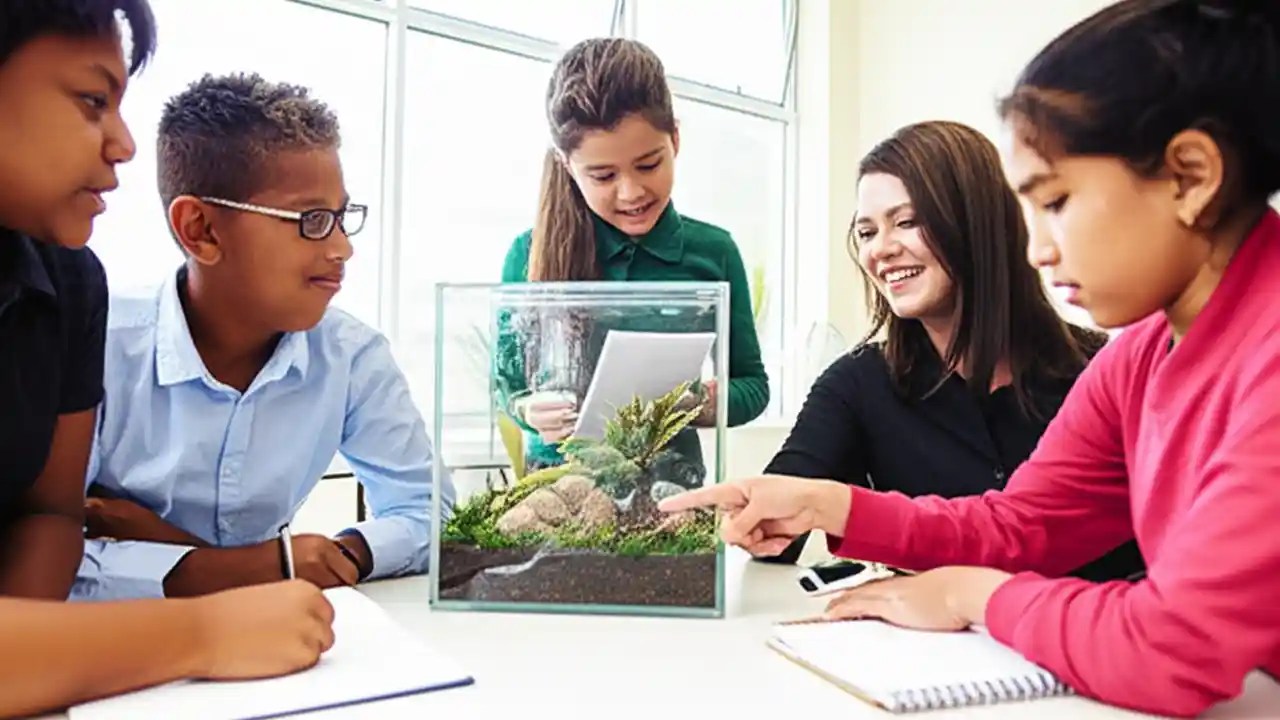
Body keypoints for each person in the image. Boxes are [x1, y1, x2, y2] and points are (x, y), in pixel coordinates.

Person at [661, 0, 1280, 716]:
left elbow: (1170, 647)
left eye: (1057, 202)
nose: (1038, 249)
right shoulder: (1137, 359)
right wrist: (832, 503)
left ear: (1191, 176)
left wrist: (969, 595)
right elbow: (1021, 525)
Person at [0, 2, 333, 716]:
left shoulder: (70, 283)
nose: (123, 144)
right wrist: (205, 632)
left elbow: (50, 514)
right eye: (92, 100)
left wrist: (35, 664)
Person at [72, 72, 456, 601]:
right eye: (312, 220)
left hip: (272, 628)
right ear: (201, 230)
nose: (342, 248)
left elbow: (429, 511)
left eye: (341, 217)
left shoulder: (351, 356)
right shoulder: (97, 344)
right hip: (116, 640)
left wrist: (340, 554)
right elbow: (49, 557)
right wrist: (271, 565)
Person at [756, 120, 1142, 582]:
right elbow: (774, 519)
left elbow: (1023, 534)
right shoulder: (856, 383)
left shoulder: (1103, 372)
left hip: (1096, 625)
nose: (881, 250)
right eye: (866, 232)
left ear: (978, 221)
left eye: (906, 222)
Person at [496, 37, 768, 478]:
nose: (631, 192)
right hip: (557, 486)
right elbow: (506, 387)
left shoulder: (714, 251)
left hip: (671, 487)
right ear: (567, 165)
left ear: (675, 138)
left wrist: (700, 403)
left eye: (648, 165)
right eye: (603, 176)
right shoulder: (527, 254)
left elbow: (752, 386)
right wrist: (529, 410)